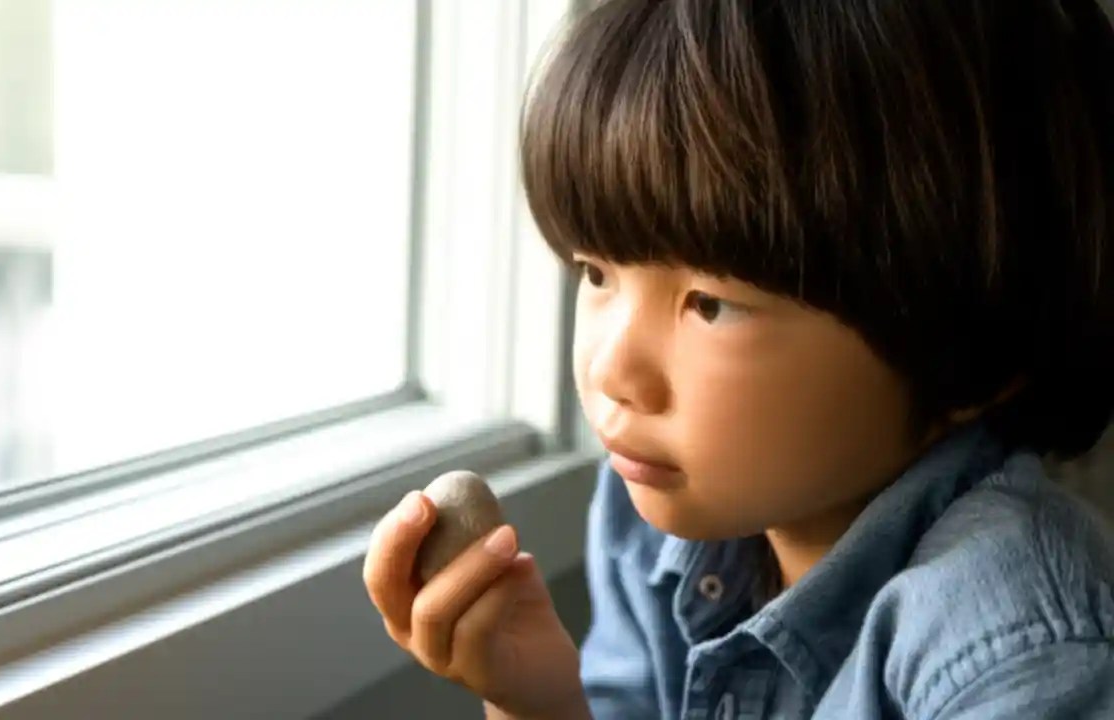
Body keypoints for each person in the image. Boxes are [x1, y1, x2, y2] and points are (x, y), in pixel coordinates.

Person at [363, 0, 1114, 717]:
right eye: (597, 272)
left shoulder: (1021, 651)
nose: (612, 372)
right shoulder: (648, 520)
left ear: (967, 341)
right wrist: (537, 700)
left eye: (711, 304)